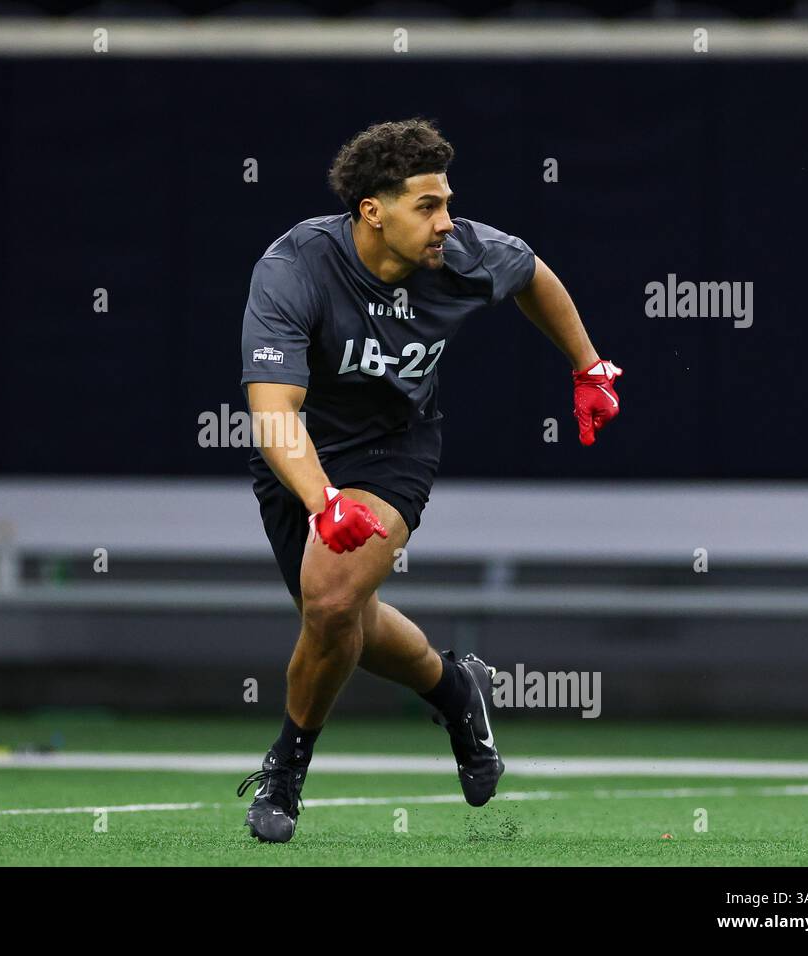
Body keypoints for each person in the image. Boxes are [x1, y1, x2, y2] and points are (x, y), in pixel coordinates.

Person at [236, 118, 621, 842]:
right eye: (427, 205)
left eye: (447, 201)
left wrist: (589, 367)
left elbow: (534, 274)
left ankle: (285, 771)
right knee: (341, 618)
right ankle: (456, 688)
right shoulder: (292, 268)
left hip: (394, 448)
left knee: (330, 597)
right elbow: (274, 413)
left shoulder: (467, 253)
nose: (446, 221)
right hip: (300, 454)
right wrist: (321, 502)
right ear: (371, 211)